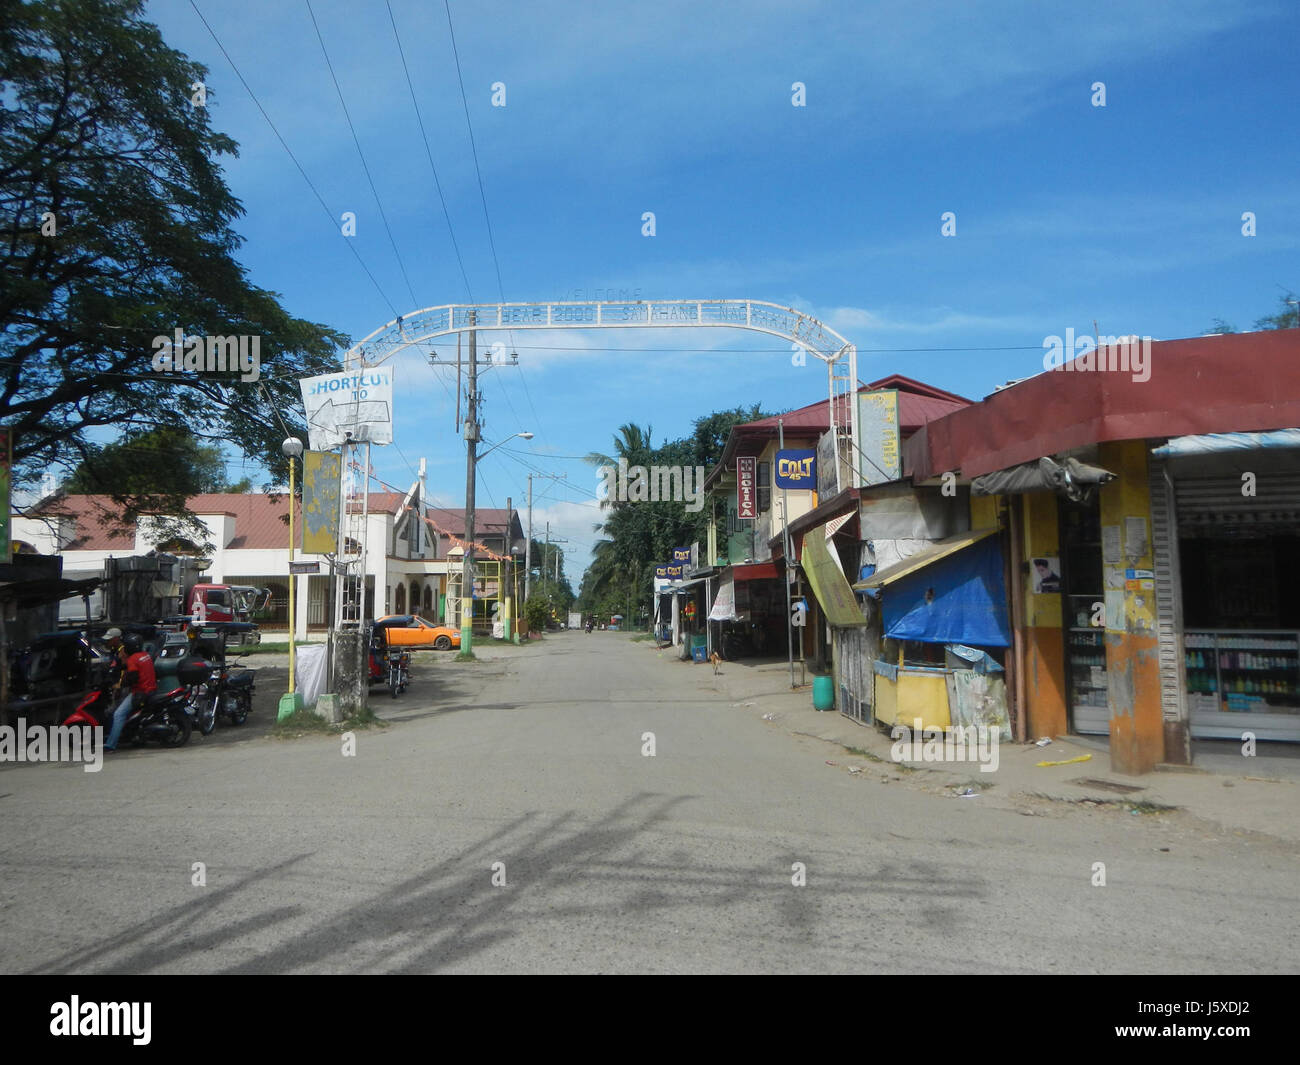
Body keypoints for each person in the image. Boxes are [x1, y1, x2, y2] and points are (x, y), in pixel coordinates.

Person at [104, 633, 158, 752]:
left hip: (140, 692)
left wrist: (120, 685)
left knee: (118, 714)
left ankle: (110, 744)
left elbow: (133, 678)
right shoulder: (145, 655)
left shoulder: (133, 659)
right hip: (151, 690)